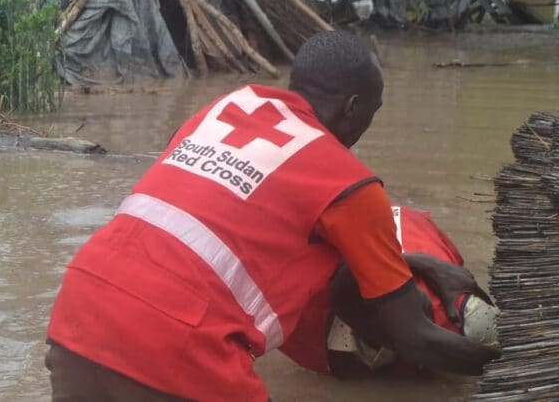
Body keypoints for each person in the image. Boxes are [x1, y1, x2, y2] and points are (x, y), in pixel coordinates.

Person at [44, 31, 499, 401]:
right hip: (175, 349)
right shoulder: (350, 184)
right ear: (352, 107)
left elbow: (227, 227)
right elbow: (415, 337)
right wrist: (507, 357)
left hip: (75, 321)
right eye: (374, 112)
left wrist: (420, 263)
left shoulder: (224, 110)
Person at [280, 205, 499, 378]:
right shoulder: (307, 337)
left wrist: (420, 262)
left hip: (403, 232)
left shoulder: (453, 309)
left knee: (478, 327)